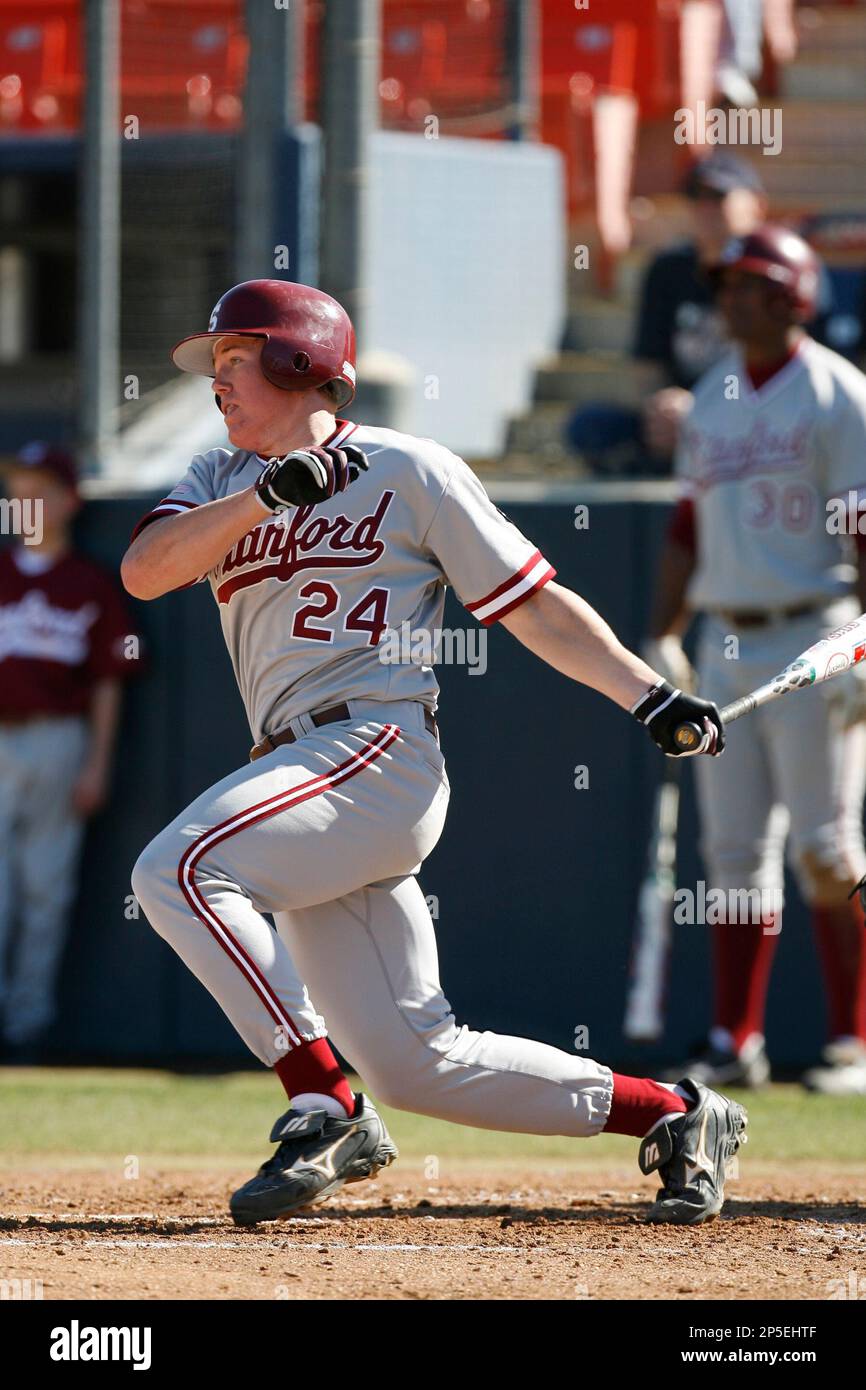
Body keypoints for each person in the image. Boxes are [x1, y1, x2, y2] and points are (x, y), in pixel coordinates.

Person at [122, 278, 747, 1228]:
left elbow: (531, 603)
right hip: (299, 778)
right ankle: (676, 1117)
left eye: (236, 360)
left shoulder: (408, 468)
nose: (219, 383)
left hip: (374, 745)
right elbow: (145, 570)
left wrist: (647, 694)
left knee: (178, 868)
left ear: (302, 363)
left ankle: (324, 1102)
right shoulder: (219, 479)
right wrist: (262, 496)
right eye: (216, 366)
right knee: (419, 1062)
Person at [646, 226, 866, 1096]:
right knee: (732, 851)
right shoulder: (713, 394)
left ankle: (854, 1041)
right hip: (725, 640)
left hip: (817, 631)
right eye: (728, 285)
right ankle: (735, 1038)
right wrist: (660, 631)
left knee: (826, 845)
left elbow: (862, 523)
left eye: (751, 285)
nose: (732, 298)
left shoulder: (838, 392)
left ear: (794, 296)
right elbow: (686, 528)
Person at [0, 443, 141, 1062]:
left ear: (68, 501)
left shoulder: (88, 580)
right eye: (16, 488)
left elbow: (112, 676)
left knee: (45, 890)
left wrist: (96, 763)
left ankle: (25, 1028)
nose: (23, 500)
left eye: (37, 488)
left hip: (60, 737)